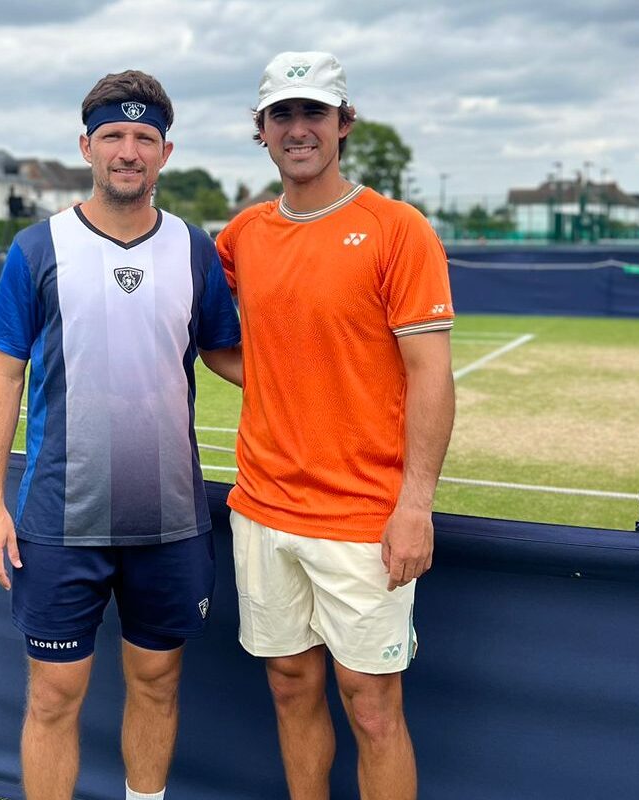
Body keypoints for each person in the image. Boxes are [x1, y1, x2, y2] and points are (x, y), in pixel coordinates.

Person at [0, 69, 242, 800]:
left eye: (144, 137)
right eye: (114, 136)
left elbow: (226, 352)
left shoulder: (193, 249)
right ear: (86, 146)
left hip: (171, 520)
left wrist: (330, 369)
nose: (129, 150)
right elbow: (2, 377)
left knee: (156, 684)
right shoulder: (37, 248)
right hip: (61, 521)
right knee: (55, 695)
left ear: (166, 152)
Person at [215, 52, 455, 799]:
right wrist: (287, 380)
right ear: (260, 131)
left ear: (344, 124)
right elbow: (211, 336)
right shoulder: (242, 236)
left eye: (313, 113)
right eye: (281, 115)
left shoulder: (397, 229)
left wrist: (415, 504)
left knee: (372, 705)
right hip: (262, 507)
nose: (298, 129)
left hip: (363, 517)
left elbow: (431, 376)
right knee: (290, 685)